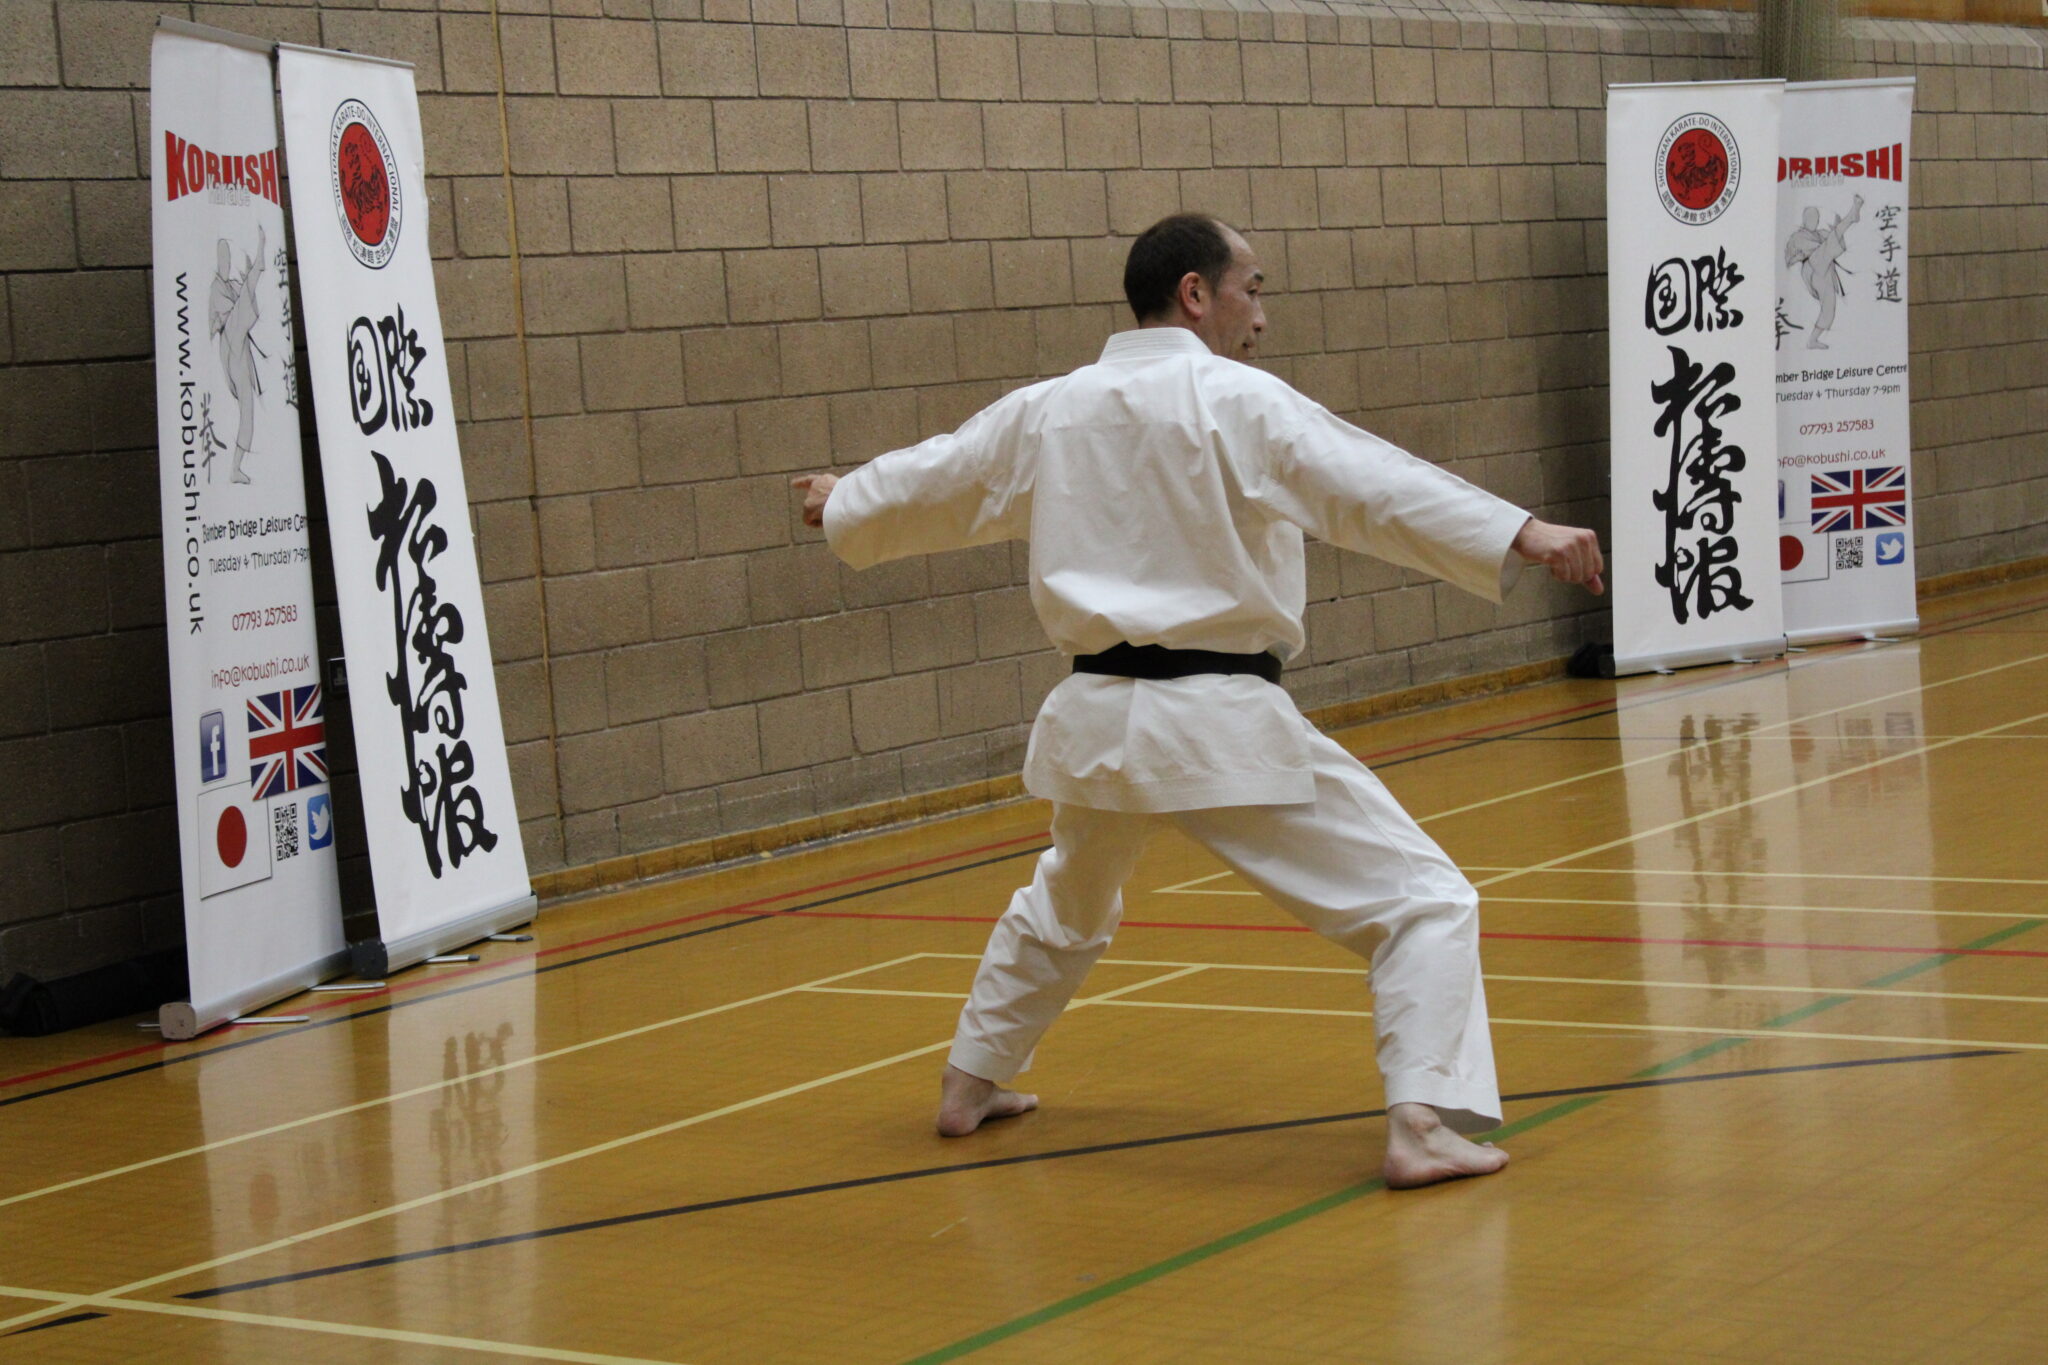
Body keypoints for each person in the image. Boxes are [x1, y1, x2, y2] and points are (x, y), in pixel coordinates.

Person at [792, 214, 1604, 1188]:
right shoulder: (1233, 400)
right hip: (1214, 724)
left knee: (1068, 897)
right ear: (1193, 293)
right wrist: (1517, 533)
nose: (1258, 313)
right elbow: (1369, 485)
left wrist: (844, 499)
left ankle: (971, 1080)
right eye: (1249, 288)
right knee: (1424, 901)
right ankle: (1420, 1124)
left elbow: (937, 477)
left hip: (1096, 727)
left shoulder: (1049, 409)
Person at [1784, 195, 1863, 350]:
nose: (1814, 220)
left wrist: (1836, 229)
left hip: (1825, 271)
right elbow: (1790, 258)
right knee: (1826, 246)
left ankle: (1812, 340)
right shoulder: (1798, 236)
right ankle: (1851, 217)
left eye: (1816, 217)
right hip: (1812, 268)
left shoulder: (1821, 233)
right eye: (1810, 217)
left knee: (1829, 309)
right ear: (1804, 219)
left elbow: (1836, 241)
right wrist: (1798, 256)